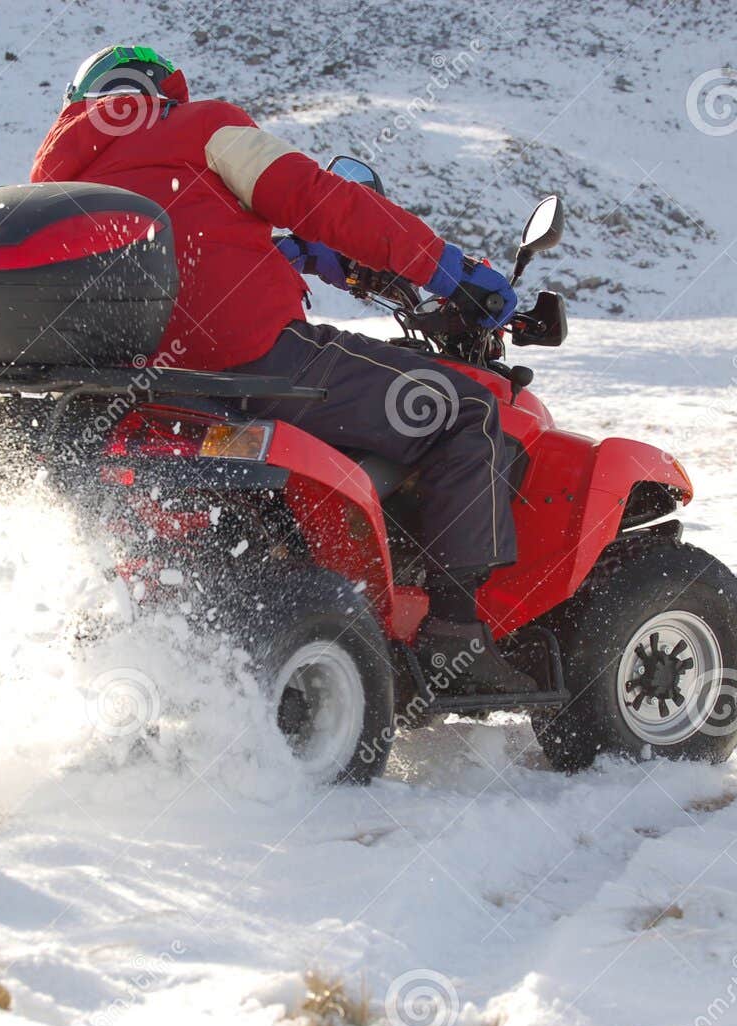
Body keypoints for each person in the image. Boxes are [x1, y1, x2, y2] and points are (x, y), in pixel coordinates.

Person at [31, 46, 535, 694]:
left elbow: (174, 243)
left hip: (128, 386)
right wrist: (448, 271)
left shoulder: (54, 171)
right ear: (167, 93)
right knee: (463, 410)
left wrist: (286, 253)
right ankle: (455, 639)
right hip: (248, 363)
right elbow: (324, 200)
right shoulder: (202, 127)